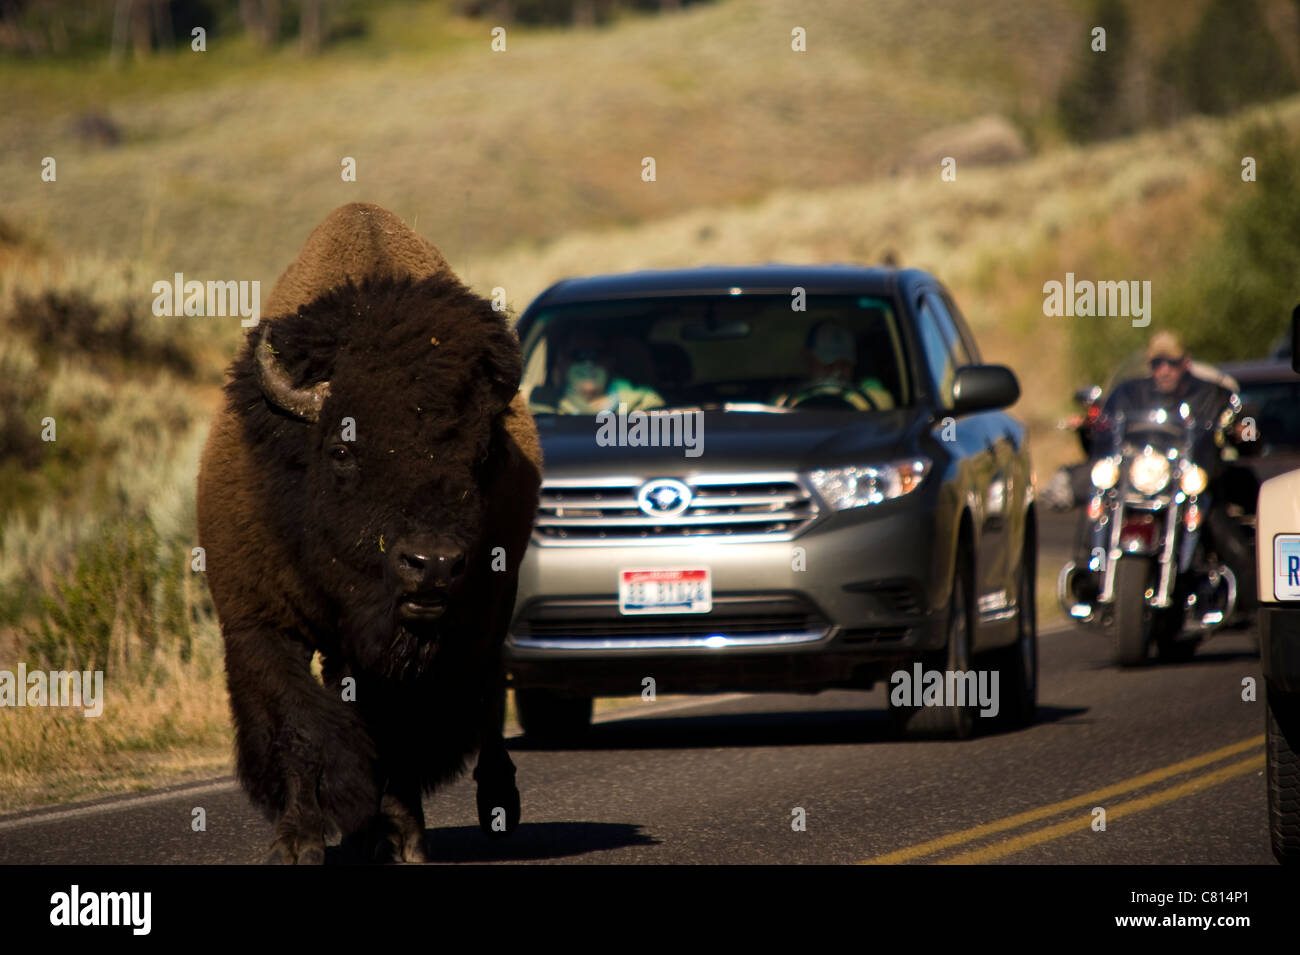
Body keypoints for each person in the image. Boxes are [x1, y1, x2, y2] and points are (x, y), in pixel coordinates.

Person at [1093, 331, 1256, 612]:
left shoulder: (1213, 394)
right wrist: (1090, 425)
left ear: (1185, 363)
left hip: (1194, 484)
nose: (1164, 370)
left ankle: (1256, 610)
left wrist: (1244, 431)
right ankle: (1091, 574)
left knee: (1229, 538)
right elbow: (1104, 431)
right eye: (1157, 363)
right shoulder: (1129, 394)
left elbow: (1248, 422)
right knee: (1097, 508)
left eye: (1171, 362)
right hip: (1144, 483)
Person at [775, 321, 893, 410]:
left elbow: (882, 401)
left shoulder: (869, 388)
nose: (837, 370)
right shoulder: (787, 397)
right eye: (828, 363)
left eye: (844, 363)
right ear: (809, 358)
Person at [554, 338, 665, 415]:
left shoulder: (645, 403)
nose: (588, 364)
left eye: (597, 355)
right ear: (562, 364)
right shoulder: (544, 411)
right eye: (577, 355)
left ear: (611, 362)